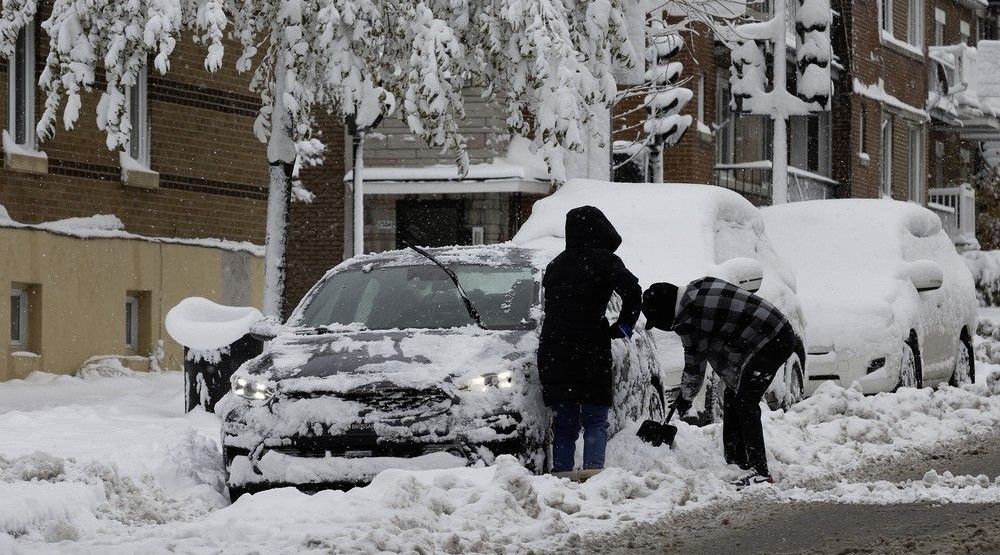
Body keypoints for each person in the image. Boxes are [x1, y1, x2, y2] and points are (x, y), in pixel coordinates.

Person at [641, 277, 794, 488]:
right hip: (770, 334)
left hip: (773, 339)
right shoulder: (695, 290)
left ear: (666, 313)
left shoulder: (691, 316)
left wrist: (685, 398)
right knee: (733, 394)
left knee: (745, 402)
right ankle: (737, 462)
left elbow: (695, 365)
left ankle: (760, 472)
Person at [538, 206, 641, 479]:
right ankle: (594, 477)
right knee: (595, 418)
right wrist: (624, 325)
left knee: (565, 422)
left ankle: (560, 480)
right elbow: (633, 290)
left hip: (554, 347)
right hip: (589, 346)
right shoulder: (604, 261)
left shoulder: (556, 265)